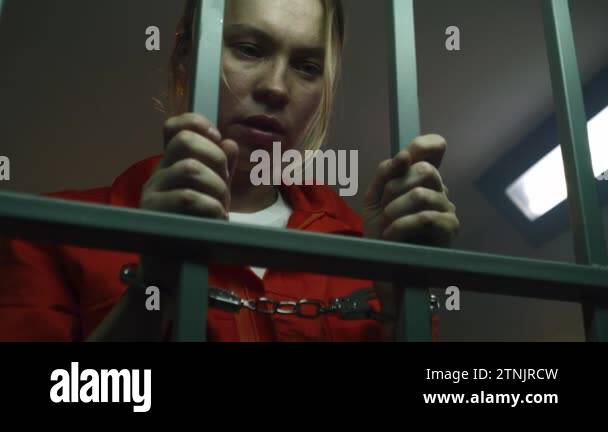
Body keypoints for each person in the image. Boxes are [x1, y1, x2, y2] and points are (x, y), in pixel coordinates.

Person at [0, 0, 459, 342]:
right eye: (249, 48)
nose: (276, 87)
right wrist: (154, 285)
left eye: (307, 66)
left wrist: (403, 298)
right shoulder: (53, 231)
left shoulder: (363, 248)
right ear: (184, 55)